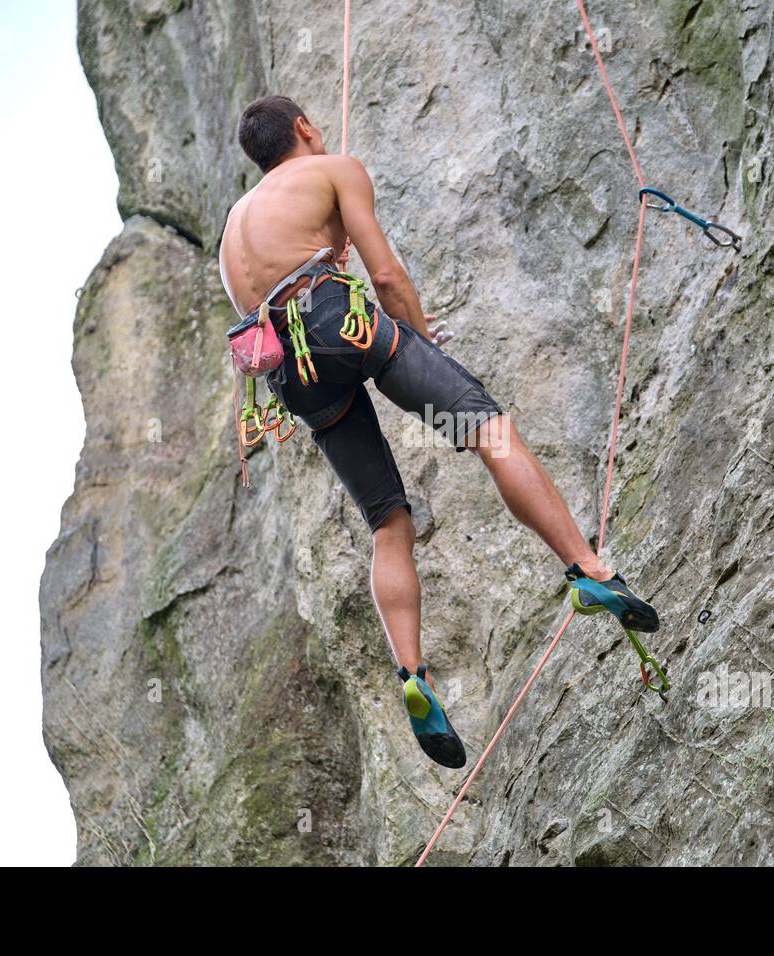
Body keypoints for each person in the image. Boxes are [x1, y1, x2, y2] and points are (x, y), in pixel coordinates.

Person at [218, 95, 659, 768]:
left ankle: (414, 677)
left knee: (388, 524)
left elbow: (282, 281)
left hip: (288, 374)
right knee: (489, 433)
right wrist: (422, 344)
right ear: (304, 128)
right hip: (345, 326)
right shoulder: (335, 168)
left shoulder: (233, 229)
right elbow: (386, 276)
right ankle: (590, 569)